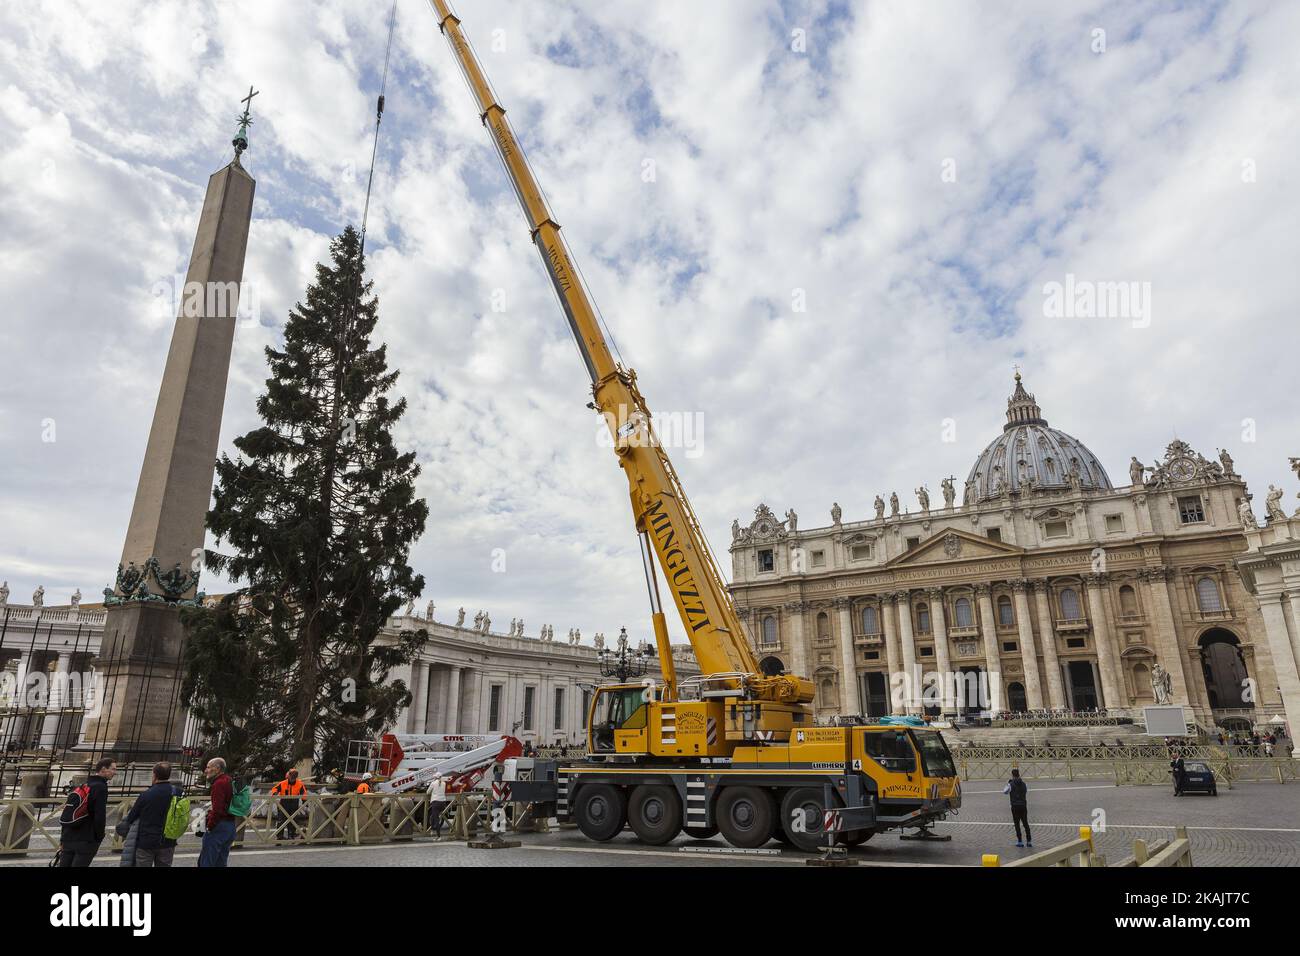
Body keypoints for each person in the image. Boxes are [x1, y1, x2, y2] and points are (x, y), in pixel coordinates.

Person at [119, 762, 183, 868]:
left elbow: (131, 817)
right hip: (168, 841)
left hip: (146, 841)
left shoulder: (146, 794)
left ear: (154, 775)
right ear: (169, 775)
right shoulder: (178, 793)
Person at [58, 757, 116, 867]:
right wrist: (99, 837)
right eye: (113, 769)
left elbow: (67, 812)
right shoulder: (101, 787)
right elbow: (100, 815)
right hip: (86, 838)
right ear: (103, 769)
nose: (115, 772)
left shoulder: (83, 785)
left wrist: (63, 838)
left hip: (68, 837)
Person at [199, 757, 236, 867]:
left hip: (219, 826)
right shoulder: (229, 780)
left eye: (208, 767)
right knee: (221, 861)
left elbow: (217, 810)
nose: (206, 770)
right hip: (230, 826)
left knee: (207, 862)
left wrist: (210, 826)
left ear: (217, 768)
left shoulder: (219, 784)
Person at [270, 768, 306, 840]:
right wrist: (275, 793)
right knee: (281, 820)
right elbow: (274, 789)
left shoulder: (300, 784)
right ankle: (280, 837)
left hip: (294, 803)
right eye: (291, 776)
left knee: (293, 820)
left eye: (293, 777)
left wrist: (305, 801)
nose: (292, 778)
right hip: (283, 803)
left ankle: (291, 836)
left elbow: (303, 793)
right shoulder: (283, 783)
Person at [1002, 768, 1031, 848]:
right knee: (1025, 823)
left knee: (1017, 824)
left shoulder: (1010, 784)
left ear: (1012, 775)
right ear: (1019, 774)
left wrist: (1008, 783)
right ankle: (1029, 841)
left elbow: (1005, 792)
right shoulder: (1024, 784)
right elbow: (1026, 791)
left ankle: (1020, 841)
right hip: (1023, 805)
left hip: (1015, 806)